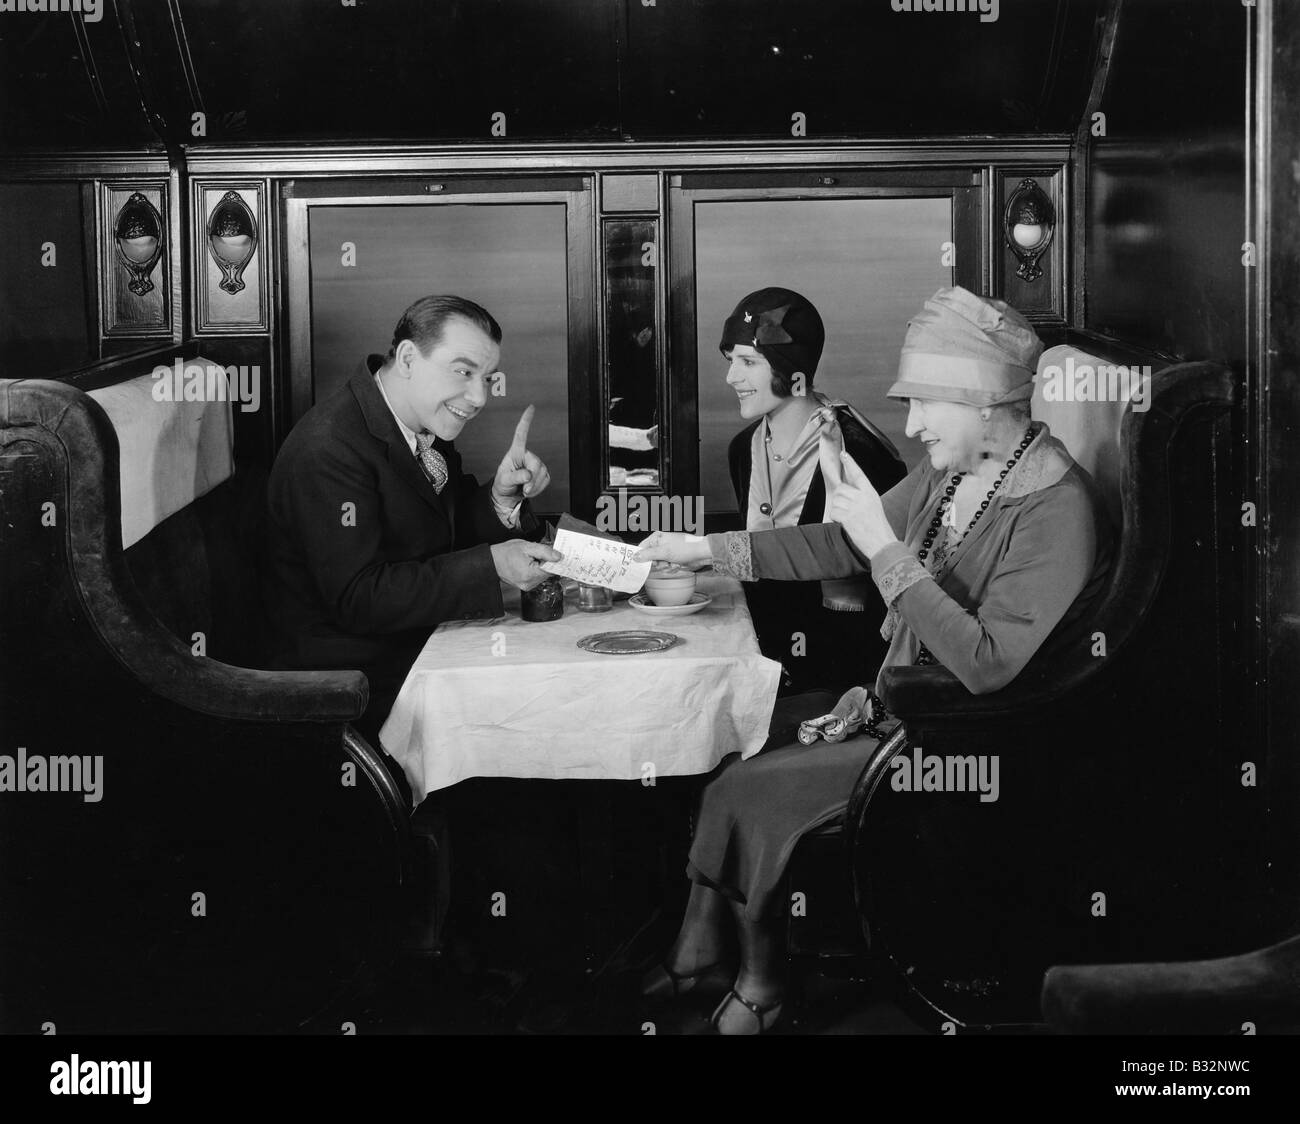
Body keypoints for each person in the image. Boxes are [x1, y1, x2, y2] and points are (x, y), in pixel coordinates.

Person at [635, 286, 1114, 1034]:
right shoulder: (957, 468)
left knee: (746, 789)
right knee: (732, 732)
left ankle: (760, 987)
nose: (912, 423)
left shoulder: (1055, 507)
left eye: (926, 403)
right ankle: (712, 952)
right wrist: (701, 549)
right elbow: (837, 543)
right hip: (894, 705)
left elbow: (987, 665)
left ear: (986, 404)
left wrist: (886, 550)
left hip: (955, 745)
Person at [264, 294, 561, 744]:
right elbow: (358, 599)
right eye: (463, 372)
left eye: (486, 378)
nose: (479, 396)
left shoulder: (419, 419)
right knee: (541, 711)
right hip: (353, 683)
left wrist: (501, 498)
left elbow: (448, 530)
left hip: (420, 643)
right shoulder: (329, 449)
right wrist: (493, 566)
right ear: (407, 358)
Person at [717, 287, 906, 694]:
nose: (732, 376)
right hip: (763, 660)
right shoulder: (741, 450)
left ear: (791, 368)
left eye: (748, 361)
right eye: (732, 361)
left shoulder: (860, 451)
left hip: (847, 676)